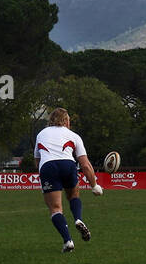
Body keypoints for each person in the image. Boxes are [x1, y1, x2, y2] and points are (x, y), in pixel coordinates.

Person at [34, 107, 103, 253]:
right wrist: (94, 185)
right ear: (66, 121)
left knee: (55, 208)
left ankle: (68, 241)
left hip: (48, 166)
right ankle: (78, 219)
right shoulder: (74, 135)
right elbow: (85, 164)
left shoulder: (41, 134)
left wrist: (45, 174)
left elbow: (37, 160)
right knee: (73, 195)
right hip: (68, 164)